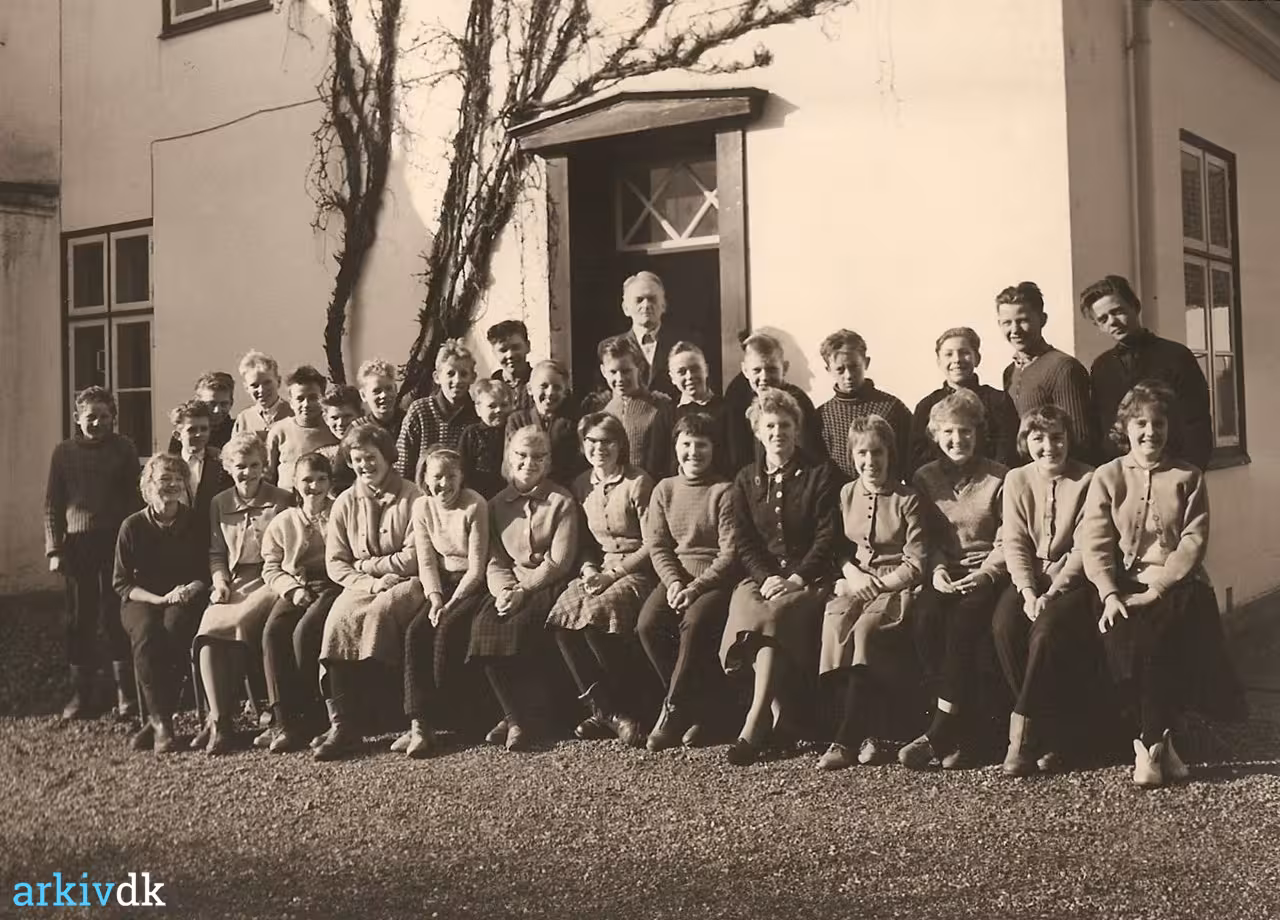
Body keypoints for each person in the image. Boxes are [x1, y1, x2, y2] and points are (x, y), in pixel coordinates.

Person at [1078, 382, 1244, 787]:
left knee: (1156, 639)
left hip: (1177, 585)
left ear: (1170, 428)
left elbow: (1193, 542)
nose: (1150, 432)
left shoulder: (1188, 475)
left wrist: (1159, 587)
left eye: (1159, 423)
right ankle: (1161, 744)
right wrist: (1109, 593)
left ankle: (1149, 746)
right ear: (1126, 427)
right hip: (1122, 585)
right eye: (1141, 423)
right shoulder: (1107, 475)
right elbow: (1095, 541)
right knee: (1128, 640)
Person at [721, 388, 839, 766]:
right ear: (757, 430)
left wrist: (796, 579)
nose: (778, 433)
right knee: (752, 612)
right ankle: (781, 717)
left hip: (808, 579)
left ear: (796, 429)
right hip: (761, 578)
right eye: (769, 426)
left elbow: (827, 537)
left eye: (785, 425)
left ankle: (755, 723)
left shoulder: (820, 474)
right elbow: (745, 540)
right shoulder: (746, 479)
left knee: (773, 617)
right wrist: (767, 576)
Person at [900, 389, 1009, 770]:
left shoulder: (999, 476)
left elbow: (1006, 538)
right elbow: (923, 537)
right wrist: (939, 571)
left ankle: (944, 731)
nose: (957, 440)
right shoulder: (924, 478)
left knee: (966, 623)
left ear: (978, 433)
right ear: (934, 435)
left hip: (988, 572)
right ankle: (953, 728)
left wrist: (984, 575)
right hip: (945, 572)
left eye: (965, 431)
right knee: (926, 618)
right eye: (948, 432)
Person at [991, 406, 1096, 775]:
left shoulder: (1089, 479)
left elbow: (1087, 546)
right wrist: (1027, 591)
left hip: (1072, 581)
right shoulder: (1017, 480)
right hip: (1029, 580)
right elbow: (1015, 541)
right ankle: (1050, 733)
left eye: (1057, 437)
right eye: (1038, 438)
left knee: (1045, 633)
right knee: (1004, 626)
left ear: (1068, 439)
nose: (1049, 446)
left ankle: (1021, 735)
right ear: (1026, 442)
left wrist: (1054, 592)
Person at [817, 416, 926, 771]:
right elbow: (839, 547)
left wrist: (876, 584)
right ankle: (861, 732)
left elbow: (917, 561)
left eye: (877, 452)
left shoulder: (907, 498)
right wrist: (849, 573)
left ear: (889, 454)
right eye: (862, 453)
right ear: (852, 456)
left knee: (866, 632)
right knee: (835, 626)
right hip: (855, 581)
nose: (870, 461)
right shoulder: (847, 493)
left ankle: (848, 737)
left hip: (894, 585)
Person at [315, 423, 424, 760]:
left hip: (410, 581)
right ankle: (343, 724)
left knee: (381, 614)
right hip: (364, 584)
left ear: (387, 457)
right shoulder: (345, 502)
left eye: (371, 458)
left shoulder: (413, 496)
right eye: (357, 459)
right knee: (339, 620)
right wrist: (370, 579)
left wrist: (369, 566)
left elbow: (415, 556)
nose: (365, 465)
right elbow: (336, 562)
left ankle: (386, 712)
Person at [548, 412, 656, 747]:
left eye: (607, 441)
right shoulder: (581, 485)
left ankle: (626, 710)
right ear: (583, 446)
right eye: (591, 442)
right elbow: (584, 545)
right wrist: (590, 570)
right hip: (599, 570)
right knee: (562, 619)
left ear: (620, 445)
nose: (599, 448)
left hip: (635, 570)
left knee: (596, 616)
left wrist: (613, 575)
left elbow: (654, 543)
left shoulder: (638, 482)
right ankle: (604, 710)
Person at [468, 426, 579, 752]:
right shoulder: (495, 504)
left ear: (547, 462)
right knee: (483, 627)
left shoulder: (562, 501)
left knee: (521, 627)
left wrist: (523, 590)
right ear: (509, 458)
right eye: (521, 455)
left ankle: (522, 719)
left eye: (537, 457)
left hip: (545, 584)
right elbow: (494, 559)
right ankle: (514, 716)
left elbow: (559, 562)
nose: (529, 462)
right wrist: (504, 590)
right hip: (508, 585)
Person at [639, 411, 737, 751]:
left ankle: (673, 711)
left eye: (702, 445)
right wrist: (674, 583)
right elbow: (659, 545)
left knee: (693, 624)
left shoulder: (724, 491)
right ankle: (701, 710)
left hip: (713, 581)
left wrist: (695, 587)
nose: (694, 452)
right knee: (647, 625)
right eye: (687, 444)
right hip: (676, 580)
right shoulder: (664, 490)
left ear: (713, 448)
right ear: (676, 446)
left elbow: (728, 554)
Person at [44, 385, 143, 721]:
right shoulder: (63, 453)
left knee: (116, 614)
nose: (98, 423)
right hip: (77, 546)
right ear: (77, 418)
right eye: (91, 417)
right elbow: (53, 504)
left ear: (113, 417)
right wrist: (54, 548)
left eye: (104, 416)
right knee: (79, 619)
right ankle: (82, 695)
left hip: (115, 542)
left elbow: (135, 498)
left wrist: (134, 544)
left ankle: (126, 695)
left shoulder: (124, 448)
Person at [192, 433, 293, 754]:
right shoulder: (219, 503)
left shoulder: (281, 499)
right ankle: (220, 722)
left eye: (253, 466)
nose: (247, 473)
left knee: (239, 624)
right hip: (236, 580)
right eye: (240, 467)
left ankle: (222, 717)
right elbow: (216, 552)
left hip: (271, 577)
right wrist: (220, 581)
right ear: (228, 468)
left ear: (264, 466)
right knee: (208, 630)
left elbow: (290, 548)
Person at [395, 448, 490, 757]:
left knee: (447, 632)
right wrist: (436, 599)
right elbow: (426, 562)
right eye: (437, 476)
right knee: (416, 632)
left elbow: (476, 568)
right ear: (425, 478)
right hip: (441, 586)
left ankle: (446, 721)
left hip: (472, 585)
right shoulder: (422, 507)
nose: (444, 484)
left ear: (462, 478)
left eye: (451, 476)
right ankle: (419, 724)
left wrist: (451, 604)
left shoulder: (475, 505)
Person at [113, 454, 208, 753]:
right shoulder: (132, 526)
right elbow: (122, 583)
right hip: (143, 598)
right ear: (148, 485)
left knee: (175, 629)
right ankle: (163, 724)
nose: (170, 485)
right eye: (163, 479)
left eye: (177, 478)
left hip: (185, 596)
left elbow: (206, 570)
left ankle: (157, 719)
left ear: (185, 484)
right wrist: (159, 599)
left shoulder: (195, 521)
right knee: (146, 635)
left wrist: (192, 588)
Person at [1081, 275, 1213, 469]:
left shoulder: (1176, 356)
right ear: (1098, 326)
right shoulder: (1101, 367)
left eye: (1117, 311)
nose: (1112, 322)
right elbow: (1101, 427)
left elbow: (1196, 424)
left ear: (1135, 306)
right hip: (1122, 478)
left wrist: (1188, 474)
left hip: (1171, 471)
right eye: (1103, 319)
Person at [257, 452, 341, 753]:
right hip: (296, 585)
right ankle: (282, 719)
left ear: (330, 482)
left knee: (306, 632)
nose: (314, 487)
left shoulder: (339, 513)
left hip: (332, 585)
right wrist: (292, 590)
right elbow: (271, 566)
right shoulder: (284, 520)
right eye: (307, 480)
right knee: (273, 632)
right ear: (295, 483)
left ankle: (312, 714)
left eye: (321, 480)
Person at [997, 282, 1095, 463]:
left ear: (1042, 319)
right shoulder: (1010, 372)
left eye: (1023, 320)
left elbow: (1079, 438)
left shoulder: (1064, 367)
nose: (1015, 330)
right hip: (1024, 478)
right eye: (1007, 323)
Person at [910, 327, 1019, 476]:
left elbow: (1007, 451)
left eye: (964, 353)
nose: (957, 359)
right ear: (939, 362)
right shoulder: (926, 406)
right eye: (949, 354)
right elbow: (917, 459)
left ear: (977, 358)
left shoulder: (998, 401)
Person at [815, 329, 912, 483]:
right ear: (828, 370)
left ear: (866, 363)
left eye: (854, 366)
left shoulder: (892, 407)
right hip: (839, 497)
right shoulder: (822, 415)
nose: (848, 375)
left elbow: (908, 459)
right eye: (840, 369)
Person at [724, 332, 826, 471]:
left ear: (784, 368)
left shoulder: (798, 400)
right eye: (757, 370)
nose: (764, 377)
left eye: (772, 369)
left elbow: (809, 451)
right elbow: (736, 452)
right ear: (745, 370)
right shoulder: (738, 400)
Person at [396, 339, 480, 479]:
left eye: (464, 374)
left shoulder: (477, 414)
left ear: (473, 377)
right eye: (450, 373)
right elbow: (403, 464)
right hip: (422, 493)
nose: (457, 380)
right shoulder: (420, 410)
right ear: (437, 377)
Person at [597, 335, 674, 479]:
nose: (620, 379)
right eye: (613, 372)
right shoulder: (604, 411)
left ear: (640, 367)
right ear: (603, 371)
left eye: (626, 371)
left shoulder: (660, 406)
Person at [503, 359, 583, 487]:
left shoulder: (572, 423)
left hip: (561, 489)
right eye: (544, 386)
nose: (550, 393)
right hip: (523, 487)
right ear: (530, 389)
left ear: (565, 392)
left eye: (557, 387)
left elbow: (577, 464)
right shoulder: (517, 420)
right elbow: (509, 463)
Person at [169, 399, 232, 556]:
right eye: (192, 429)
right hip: (176, 541)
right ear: (178, 435)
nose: (199, 434)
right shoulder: (168, 466)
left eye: (204, 429)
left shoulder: (222, 463)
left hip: (213, 540)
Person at [609, 271, 682, 401]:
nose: (646, 305)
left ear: (663, 305)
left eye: (652, 299)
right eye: (639, 300)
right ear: (626, 308)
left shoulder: (682, 345)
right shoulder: (610, 348)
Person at [266, 365, 339, 491]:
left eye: (313, 398)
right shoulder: (279, 431)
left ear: (323, 398)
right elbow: (268, 475)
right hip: (287, 501)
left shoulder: (333, 429)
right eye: (300, 399)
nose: (306, 404)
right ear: (291, 402)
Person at [667, 341, 732, 479]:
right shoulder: (666, 414)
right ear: (672, 378)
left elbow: (737, 460)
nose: (689, 376)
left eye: (695, 369)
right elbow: (658, 464)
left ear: (706, 370)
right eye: (681, 372)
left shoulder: (728, 409)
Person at [458, 378, 514, 499]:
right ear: (478, 410)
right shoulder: (472, 434)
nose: (498, 410)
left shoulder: (514, 430)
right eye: (492, 406)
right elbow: (463, 467)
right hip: (479, 493)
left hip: (509, 493)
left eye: (504, 405)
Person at [166, 371, 236, 453]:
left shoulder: (238, 431)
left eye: (224, 404)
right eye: (211, 404)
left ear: (231, 403)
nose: (217, 410)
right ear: (198, 402)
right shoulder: (185, 433)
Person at [232, 350, 293, 438]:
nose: (262, 390)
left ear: (278, 381)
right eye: (254, 385)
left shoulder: (293, 414)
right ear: (246, 388)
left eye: (267, 383)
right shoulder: (244, 419)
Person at [318, 384, 363, 495]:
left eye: (347, 416)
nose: (341, 423)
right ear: (325, 419)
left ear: (361, 415)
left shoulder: (367, 449)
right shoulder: (322, 454)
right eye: (335, 417)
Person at [486, 320, 535, 414]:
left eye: (516, 347)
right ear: (494, 353)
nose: (510, 355)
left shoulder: (539, 384)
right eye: (503, 350)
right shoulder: (489, 389)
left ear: (527, 346)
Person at [353, 358, 406, 440]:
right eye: (376, 391)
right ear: (363, 395)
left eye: (389, 389)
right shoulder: (358, 429)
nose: (384, 395)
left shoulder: (409, 421)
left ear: (395, 389)